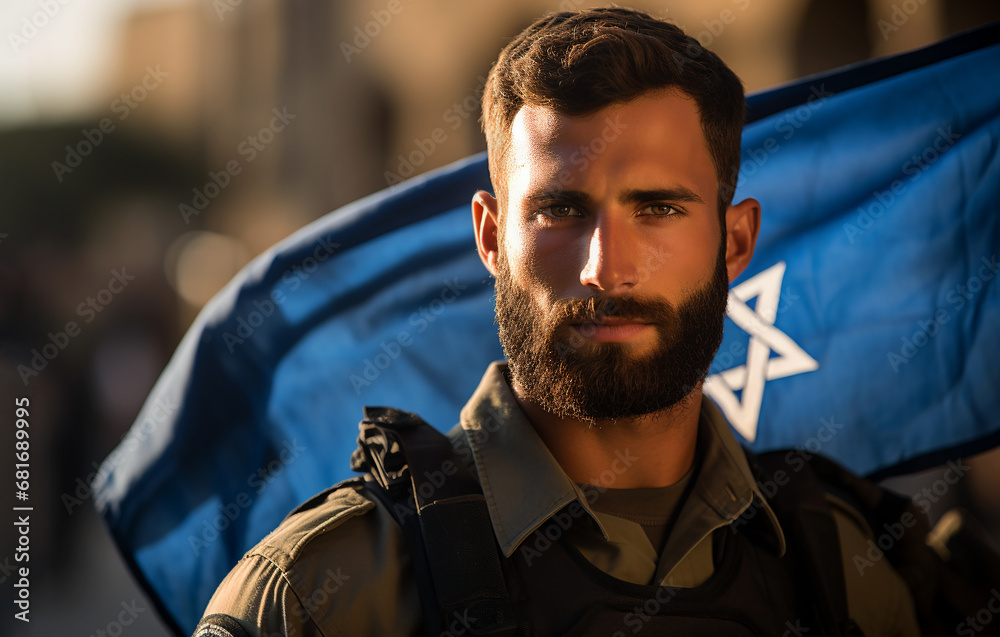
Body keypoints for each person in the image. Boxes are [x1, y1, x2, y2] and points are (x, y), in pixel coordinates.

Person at [194, 7, 926, 636]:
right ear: (489, 238)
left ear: (735, 242)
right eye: (559, 211)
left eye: (659, 208)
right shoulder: (324, 593)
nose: (605, 269)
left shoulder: (843, 565)